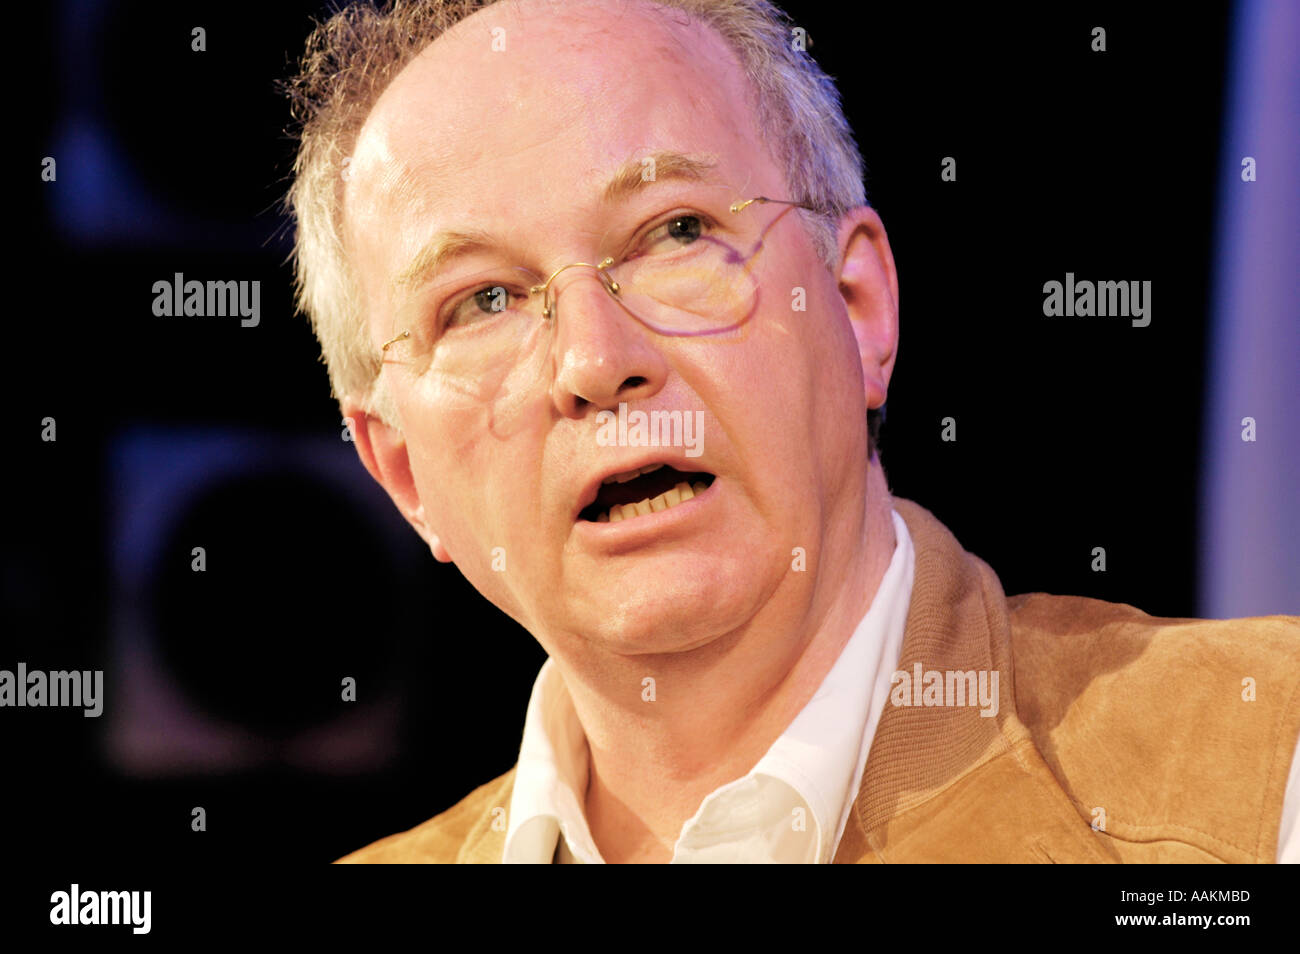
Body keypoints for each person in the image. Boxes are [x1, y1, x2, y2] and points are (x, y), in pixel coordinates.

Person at [282, 0, 1300, 863]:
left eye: (676, 233)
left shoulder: (1264, 764)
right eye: (483, 301)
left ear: (856, 305)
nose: (593, 362)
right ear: (403, 471)